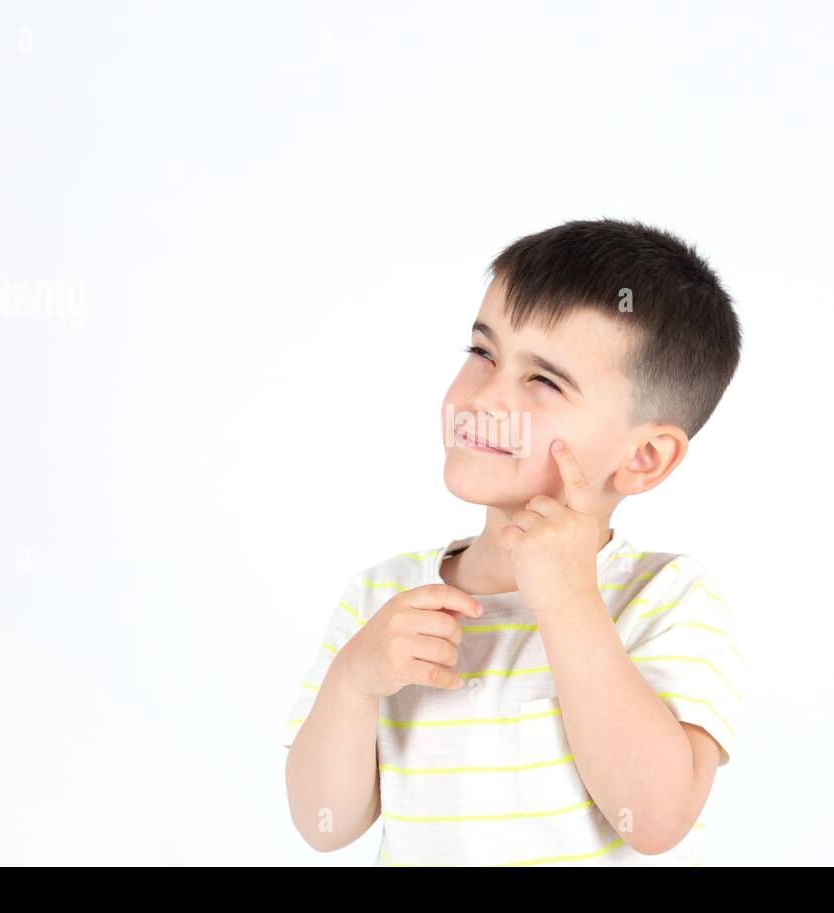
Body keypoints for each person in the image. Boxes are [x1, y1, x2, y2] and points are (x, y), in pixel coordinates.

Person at [281, 218, 746, 866]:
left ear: (642, 457)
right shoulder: (385, 596)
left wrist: (567, 598)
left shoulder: (665, 597)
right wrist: (354, 682)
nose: (485, 399)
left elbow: (657, 818)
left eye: (543, 381)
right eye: (483, 353)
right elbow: (322, 824)